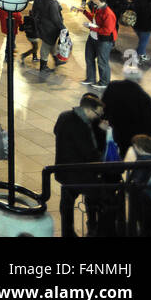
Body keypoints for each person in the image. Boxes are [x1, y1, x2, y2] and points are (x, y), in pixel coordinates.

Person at [53, 93, 108, 237]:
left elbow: (55, 131)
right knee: (97, 197)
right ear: (89, 110)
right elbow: (89, 152)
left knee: (66, 203)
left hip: (64, 171)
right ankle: (94, 227)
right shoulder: (80, 126)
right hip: (80, 173)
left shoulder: (64, 116)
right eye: (97, 113)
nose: (98, 117)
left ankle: (67, 231)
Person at [82, 0, 118, 88]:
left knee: (102, 62)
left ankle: (104, 82)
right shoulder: (97, 8)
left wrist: (91, 28)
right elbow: (95, 19)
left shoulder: (108, 13)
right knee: (89, 58)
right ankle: (90, 78)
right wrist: (84, 12)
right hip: (92, 38)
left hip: (104, 41)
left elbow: (107, 30)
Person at [32, 0, 65, 73]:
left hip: (41, 26)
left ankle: (56, 60)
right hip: (50, 28)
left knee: (50, 43)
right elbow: (56, 18)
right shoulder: (52, 2)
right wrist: (62, 27)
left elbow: (33, 12)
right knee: (46, 46)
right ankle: (43, 66)